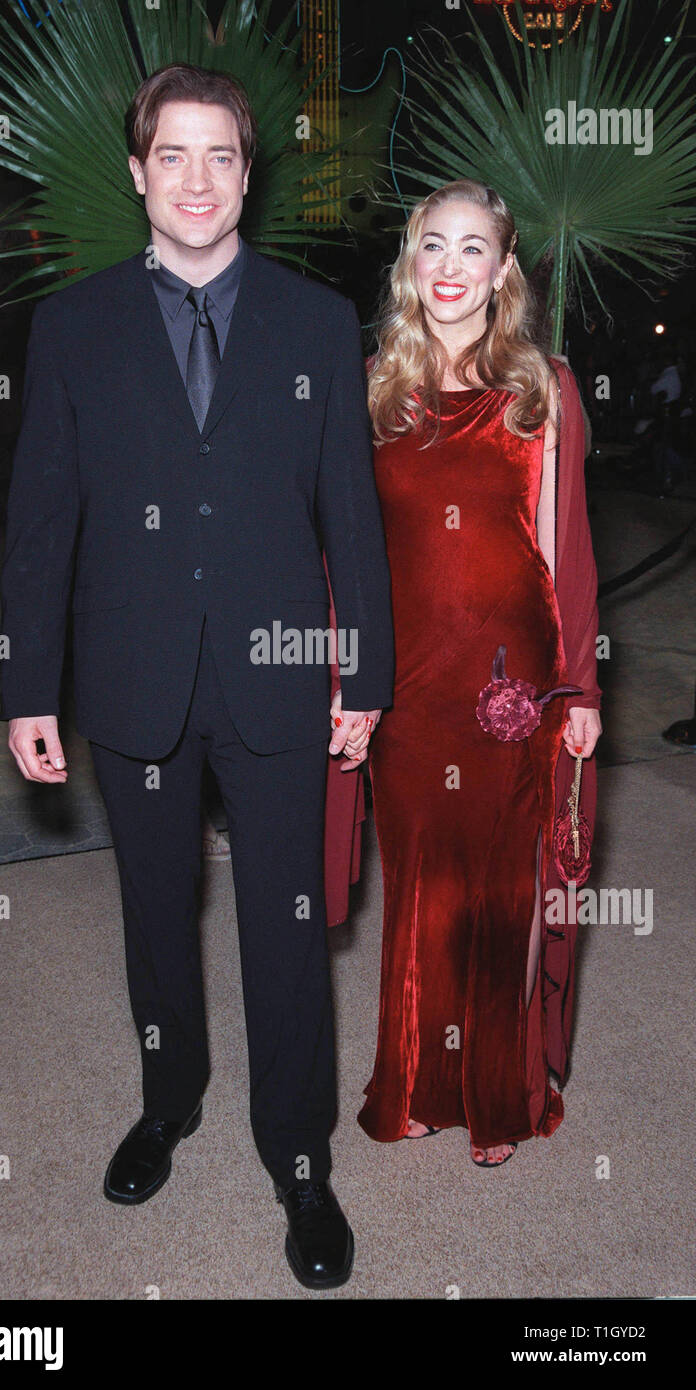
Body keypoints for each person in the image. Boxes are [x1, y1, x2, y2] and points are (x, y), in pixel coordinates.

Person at [0, 63, 394, 1289]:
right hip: (133, 674)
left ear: (247, 171)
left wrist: (365, 668)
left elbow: (350, 513)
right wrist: (27, 686)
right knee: (156, 914)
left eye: (220, 153)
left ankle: (299, 1159)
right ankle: (168, 1099)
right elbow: (42, 522)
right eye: (171, 154)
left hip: (280, 674)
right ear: (137, 172)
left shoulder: (316, 322)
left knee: (287, 927)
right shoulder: (73, 326)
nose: (197, 178)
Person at [355, 180, 602, 1166]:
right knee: (422, 880)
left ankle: (499, 1092)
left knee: (502, 884)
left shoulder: (542, 387)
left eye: (472, 249)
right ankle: (415, 1080)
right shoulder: (373, 387)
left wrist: (580, 688)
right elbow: (346, 550)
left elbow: (564, 545)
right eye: (433, 245)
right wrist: (346, 679)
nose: (450, 266)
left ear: (502, 270)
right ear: (410, 263)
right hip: (413, 680)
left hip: (513, 678)